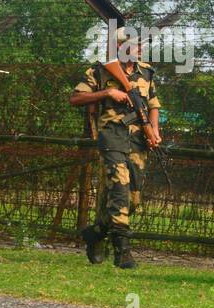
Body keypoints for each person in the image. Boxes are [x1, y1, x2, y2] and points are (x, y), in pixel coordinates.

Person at [69, 30, 162, 269]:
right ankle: (123, 252)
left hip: (138, 140)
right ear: (119, 47)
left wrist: (154, 130)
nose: (140, 48)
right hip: (112, 136)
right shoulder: (99, 71)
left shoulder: (147, 72)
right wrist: (108, 92)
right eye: (135, 44)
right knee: (119, 191)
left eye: (142, 45)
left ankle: (97, 232)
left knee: (133, 199)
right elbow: (76, 98)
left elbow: (153, 104)